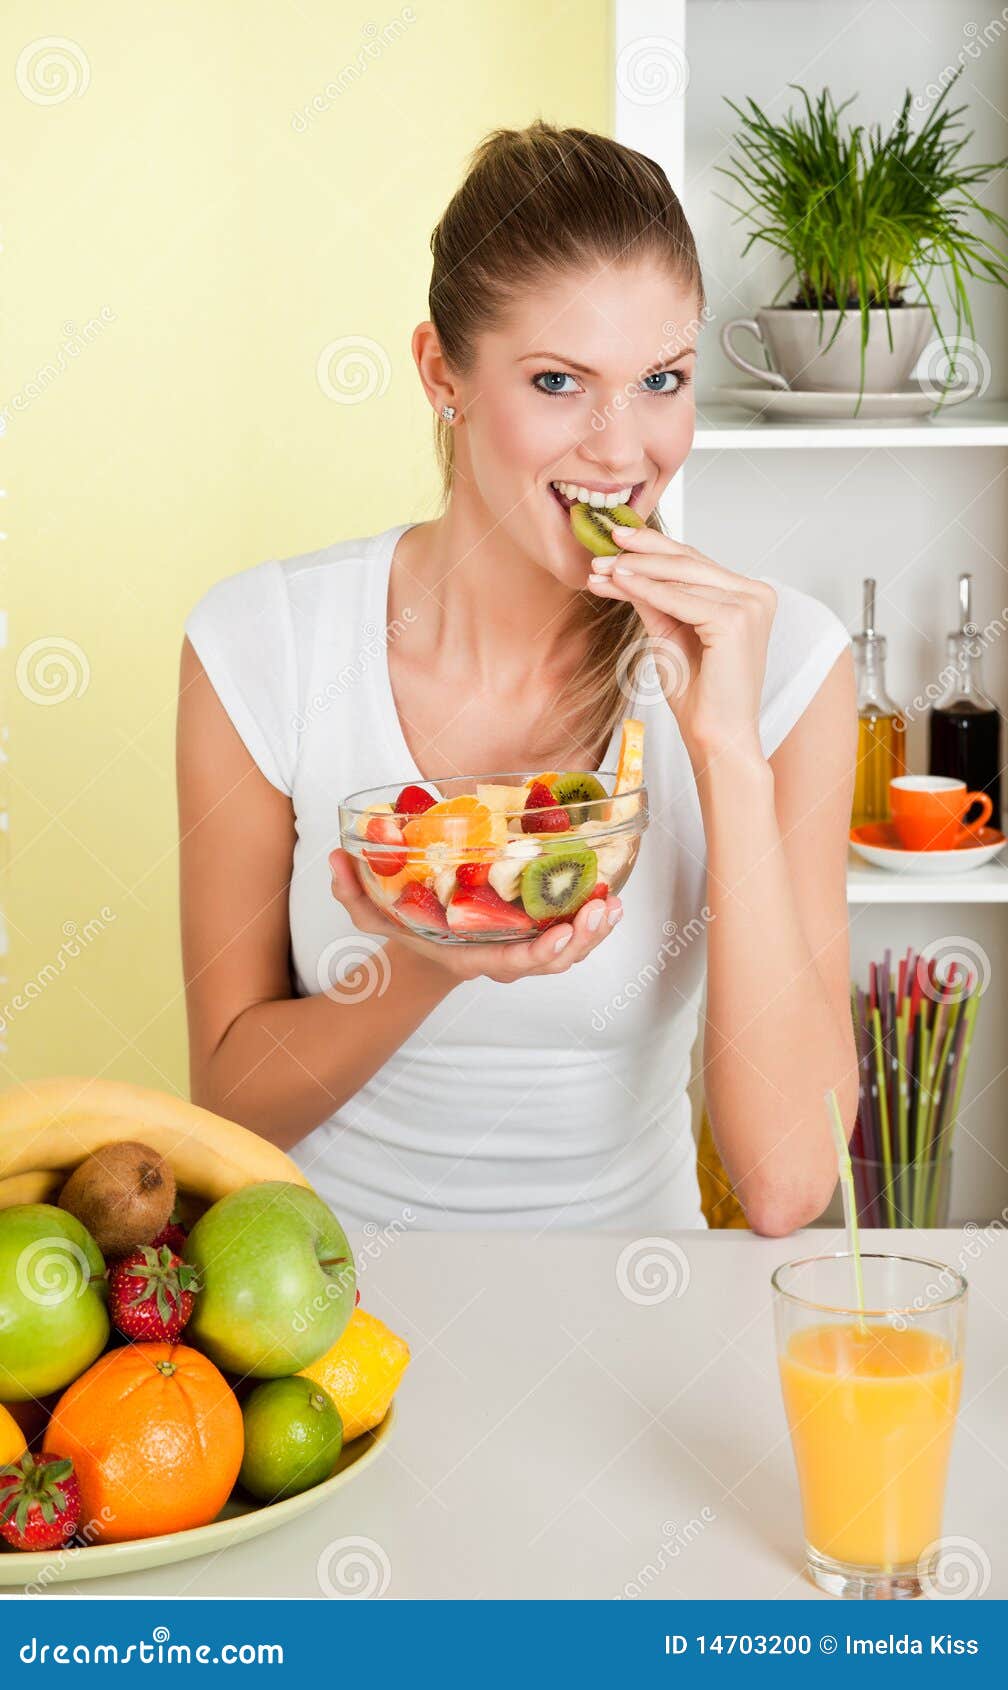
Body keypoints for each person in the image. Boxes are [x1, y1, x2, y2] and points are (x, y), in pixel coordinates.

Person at [177, 122, 858, 1236]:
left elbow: (788, 1184)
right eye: (557, 381)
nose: (619, 448)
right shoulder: (267, 640)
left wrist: (725, 751)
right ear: (443, 372)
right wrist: (432, 964)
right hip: (319, 1318)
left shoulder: (785, 664)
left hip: (637, 1314)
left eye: (661, 380)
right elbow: (229, 1100)